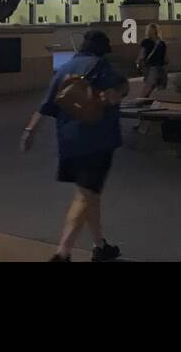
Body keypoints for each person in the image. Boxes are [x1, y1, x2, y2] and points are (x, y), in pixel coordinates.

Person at [21, 29, 128, 262]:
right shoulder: (101, 67)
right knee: (85, 195)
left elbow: (46, 105)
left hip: (68, 141)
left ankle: (100, 246)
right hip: (98, 141)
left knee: (90, 195)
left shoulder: (65, 70)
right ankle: (63, 252)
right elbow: (119, 92)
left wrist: (30, 131)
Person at [137, 22, 168, 97]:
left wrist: (139, 63)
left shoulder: (147, 42)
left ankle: (141, 100)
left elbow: (142, 55)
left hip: (155, 67)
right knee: (157, 86)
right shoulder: (161, 43)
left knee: (151, 86)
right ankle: (144, 100)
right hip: (157, 67)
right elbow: (166, 58)